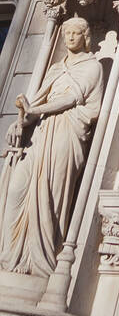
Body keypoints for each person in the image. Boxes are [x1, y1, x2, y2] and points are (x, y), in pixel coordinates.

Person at [0, 16, 104, 277]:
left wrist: (34, 110)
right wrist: (20, 122)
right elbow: (37, 101)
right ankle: (10, 257)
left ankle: (39, 261)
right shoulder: (57, 67)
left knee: (49, 194)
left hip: (66, 135)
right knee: (17, 188)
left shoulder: (93, 67)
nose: (70, 37)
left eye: (76, 33)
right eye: (67, 32)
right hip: (42, 132)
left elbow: (70, 99)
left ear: (85, 37)